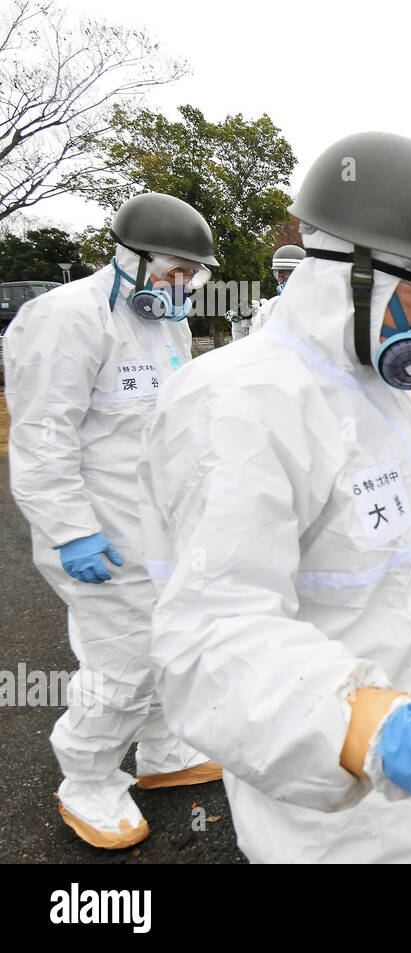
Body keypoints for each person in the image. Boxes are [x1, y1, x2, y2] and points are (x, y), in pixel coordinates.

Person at [138, 132, 411, 863]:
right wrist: (376, 729)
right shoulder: (239, 403)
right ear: (355, 273)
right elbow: (212, 642)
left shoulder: (374, 389)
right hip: (331, 804)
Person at [3, 192, 221, 849]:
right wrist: (70, 529)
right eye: (172, 272)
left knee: (169, 641)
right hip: (98, 529)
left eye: (192, 276)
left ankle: (162, 752)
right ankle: (87, 779)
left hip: (155, 525)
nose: (181, 287)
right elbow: (42, 436)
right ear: (129, 258)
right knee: (123, 658)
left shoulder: (166, 323)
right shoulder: (65, 319)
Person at [246, 243, 306, 335]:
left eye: (290, 276)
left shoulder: (320, 305)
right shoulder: (269, 308)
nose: (283, 282)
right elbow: (255, 344)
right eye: (280, 276)